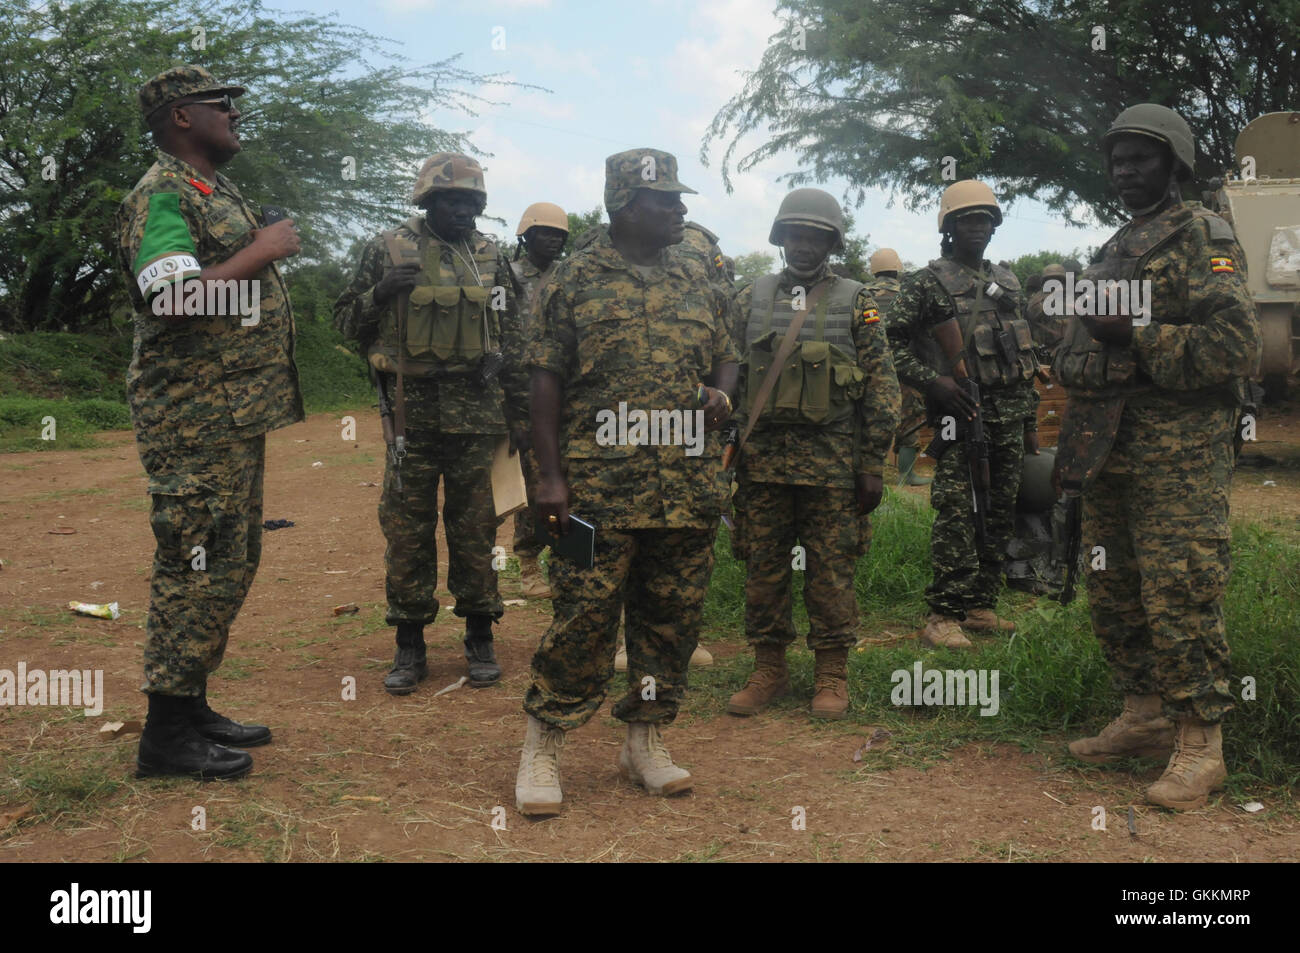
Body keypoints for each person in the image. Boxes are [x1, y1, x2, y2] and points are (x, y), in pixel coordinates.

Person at [514, 148, 739, 815]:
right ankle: (543, 744)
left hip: (688, 484)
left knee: (669, 621)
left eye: (679, 198)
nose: (680, 209)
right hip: (597, 488)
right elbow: (543, 379)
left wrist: (723, 397)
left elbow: (727, 351)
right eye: (665, 200)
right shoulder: (574, 278)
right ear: (623, 205)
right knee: (582, 617)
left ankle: (644, 740)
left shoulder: (700, 270)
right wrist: (549, 477)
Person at [1055, 104, 1259, 810]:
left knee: (1180, 590)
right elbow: (1086, 349)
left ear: (1175, 163)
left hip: (1178, 456)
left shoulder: (1204, 234)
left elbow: (1236, 347)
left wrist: (1136, 332)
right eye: (1115, 159)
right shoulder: (1116, 243)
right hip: (1109, 448)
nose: (1124, 170)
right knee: (1114, 587)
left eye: (1140, 157)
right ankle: (1143, 716)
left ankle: (1201, 746)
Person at [115, 65, 304, 780]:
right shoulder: (161, 192)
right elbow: (170, 299)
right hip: (190, 415)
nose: (235, 112)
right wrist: (261, 251)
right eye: (222, 103)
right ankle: (164, 737)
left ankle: (190, 705)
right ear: (180, 116)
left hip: (228, 412)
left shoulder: (211, 189)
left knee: (228, 558)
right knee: (194, 560)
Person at [334, 154, 528, 694]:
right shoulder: (388, 249)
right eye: (451, 200)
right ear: (427, 201)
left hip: (476, 416)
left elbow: (517, 331)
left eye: (471, 200)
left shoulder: (490, 256)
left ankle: (480, 634)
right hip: (409, 418)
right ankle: (410, 641)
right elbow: (345, 320)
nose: (463, 209)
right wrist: (380, 293)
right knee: (407, 531)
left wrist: (514, 397)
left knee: (476, 531)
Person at [725, 189, 899, 720]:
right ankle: (769, 669)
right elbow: (725, 374)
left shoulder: (858, 301)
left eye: (816, 236)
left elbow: (882, 386)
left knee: (830, 571)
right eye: (795, 235)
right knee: (764, 568)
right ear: (781, 239)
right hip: (762, 466)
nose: (804, 246)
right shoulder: (746, 299)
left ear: (831, 241)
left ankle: (831, 674)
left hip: (834, 467)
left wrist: (871, 465)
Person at [885, 180, 1039, 649]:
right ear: (949, 227)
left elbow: (1023, 353)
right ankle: (942, 614)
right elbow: (888, 344)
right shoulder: (928, 282)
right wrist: (934, 382)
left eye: (985, 219)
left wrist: (1030, 418)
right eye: (967, 220)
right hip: (961, 415)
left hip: (1010, 415)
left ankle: (980, 605)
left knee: (999, 511)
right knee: (958, 513)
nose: (978, 227)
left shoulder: (1008, 280)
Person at [507, 202, 570, 600]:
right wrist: (509, 410)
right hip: (523, 395)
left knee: (571, 484)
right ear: (525, 235)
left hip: (567, 396)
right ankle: (528, 566)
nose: (553, 239)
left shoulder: (570, 277)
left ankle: (567, 562)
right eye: (545, 232)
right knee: (534, 488)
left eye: (559, 234)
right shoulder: (508, 277)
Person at [866, 247, 930, 486]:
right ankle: (906, 475)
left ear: (874, 271)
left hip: (869, 368)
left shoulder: (861, 294)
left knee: (866, 418)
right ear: (897, 270)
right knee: (910, 419)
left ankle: (868, 474)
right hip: (904, 368)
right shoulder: (908, 293)